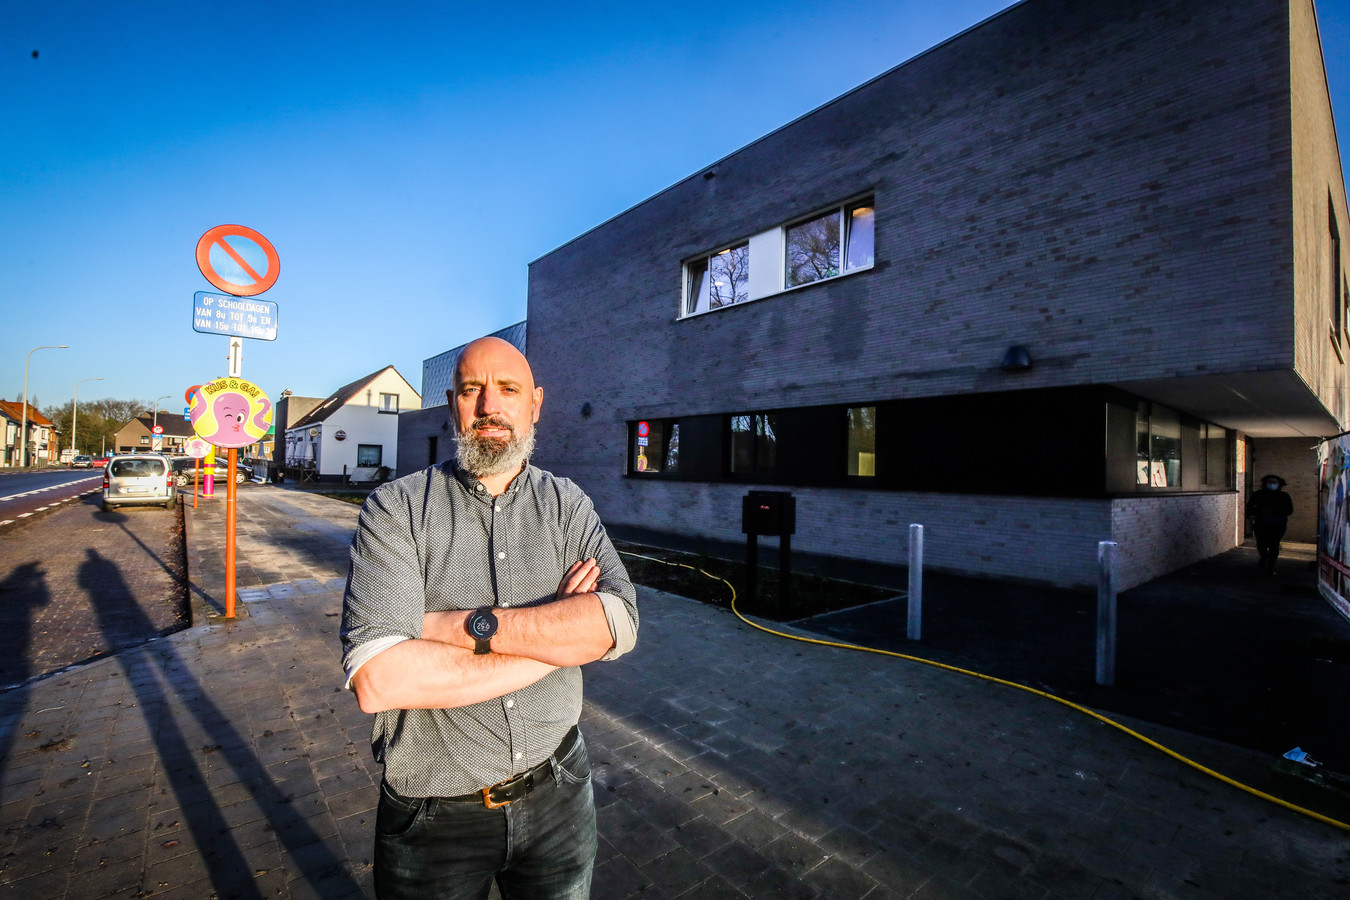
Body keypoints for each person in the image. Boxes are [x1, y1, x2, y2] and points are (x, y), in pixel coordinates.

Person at [341, 337, 638, 899]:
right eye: (473, 390)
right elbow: (381, 681)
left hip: (560, 791)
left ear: (535, 403)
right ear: (453, 401)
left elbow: (618, 623)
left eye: (508, 389)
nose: (489, 407)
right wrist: (557, 633)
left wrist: (447, 627)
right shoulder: (396, 508)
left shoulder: (567, 504)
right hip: (435, 818)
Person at [1247, 473, 1294, 574]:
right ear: (1265, 483)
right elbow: (1249, 508)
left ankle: (1271, 565)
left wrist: (1275, 512)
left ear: (1279, 484)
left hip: (1277, 525)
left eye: (1274, 482)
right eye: (1269, 482)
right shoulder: (1258, 495)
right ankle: (1264, 557)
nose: (1272, 484)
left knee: (1274, 545)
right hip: (1261, 524)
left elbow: (1289, 510)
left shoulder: (1284, 496)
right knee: (1261, 544)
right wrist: (1255, 513)